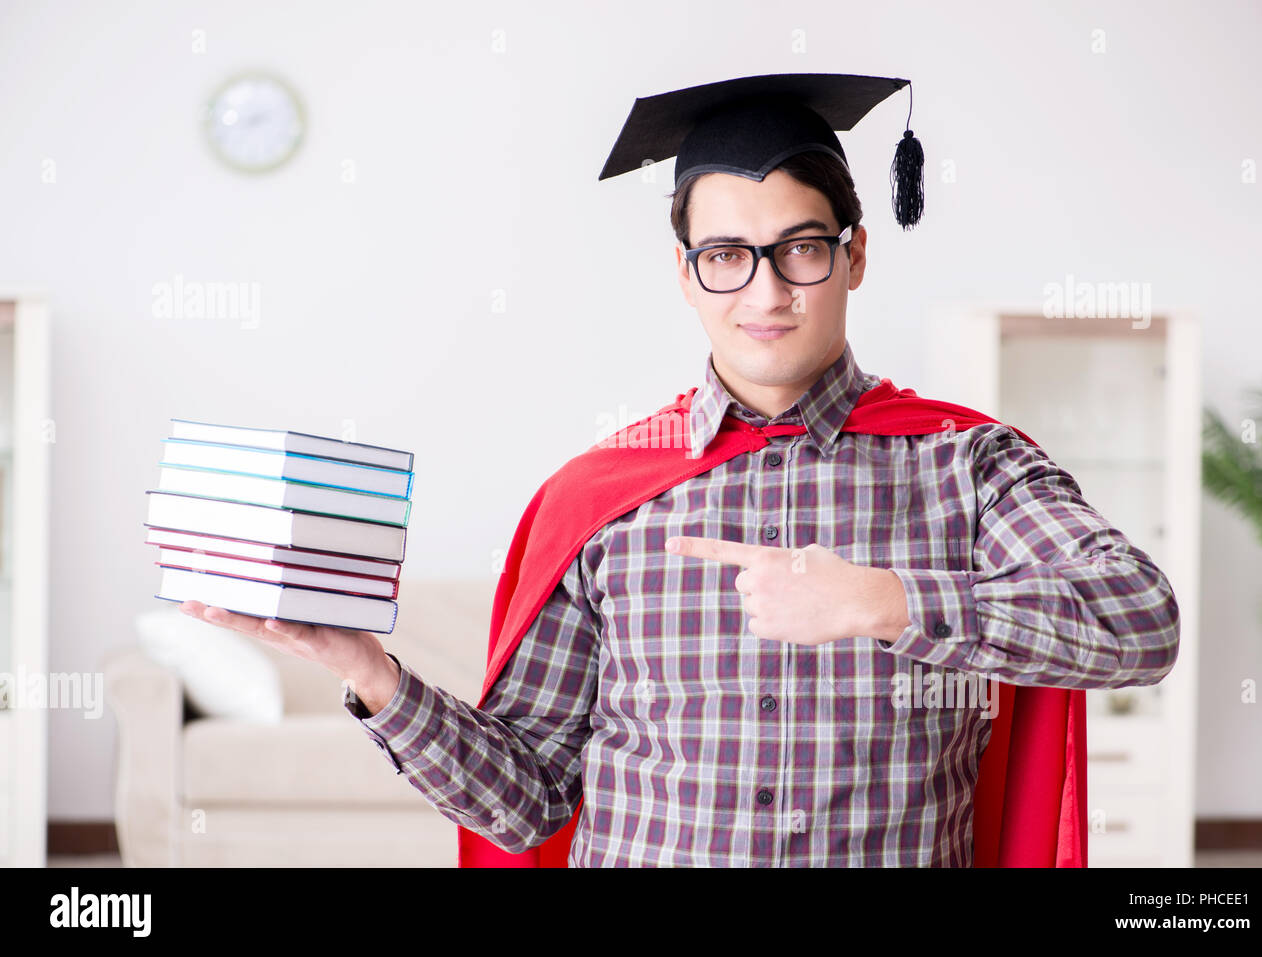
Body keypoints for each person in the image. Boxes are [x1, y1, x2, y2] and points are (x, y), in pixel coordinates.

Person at [180, 72, 1180, 866]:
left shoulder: (967, 466)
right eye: (726, 256)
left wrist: (888, 602)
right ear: (686, 272)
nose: (765, 291)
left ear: (855, 255)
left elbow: (1141, 623)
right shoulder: (598, 500)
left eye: (799, 249)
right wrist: (368, 675)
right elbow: (525, 806)